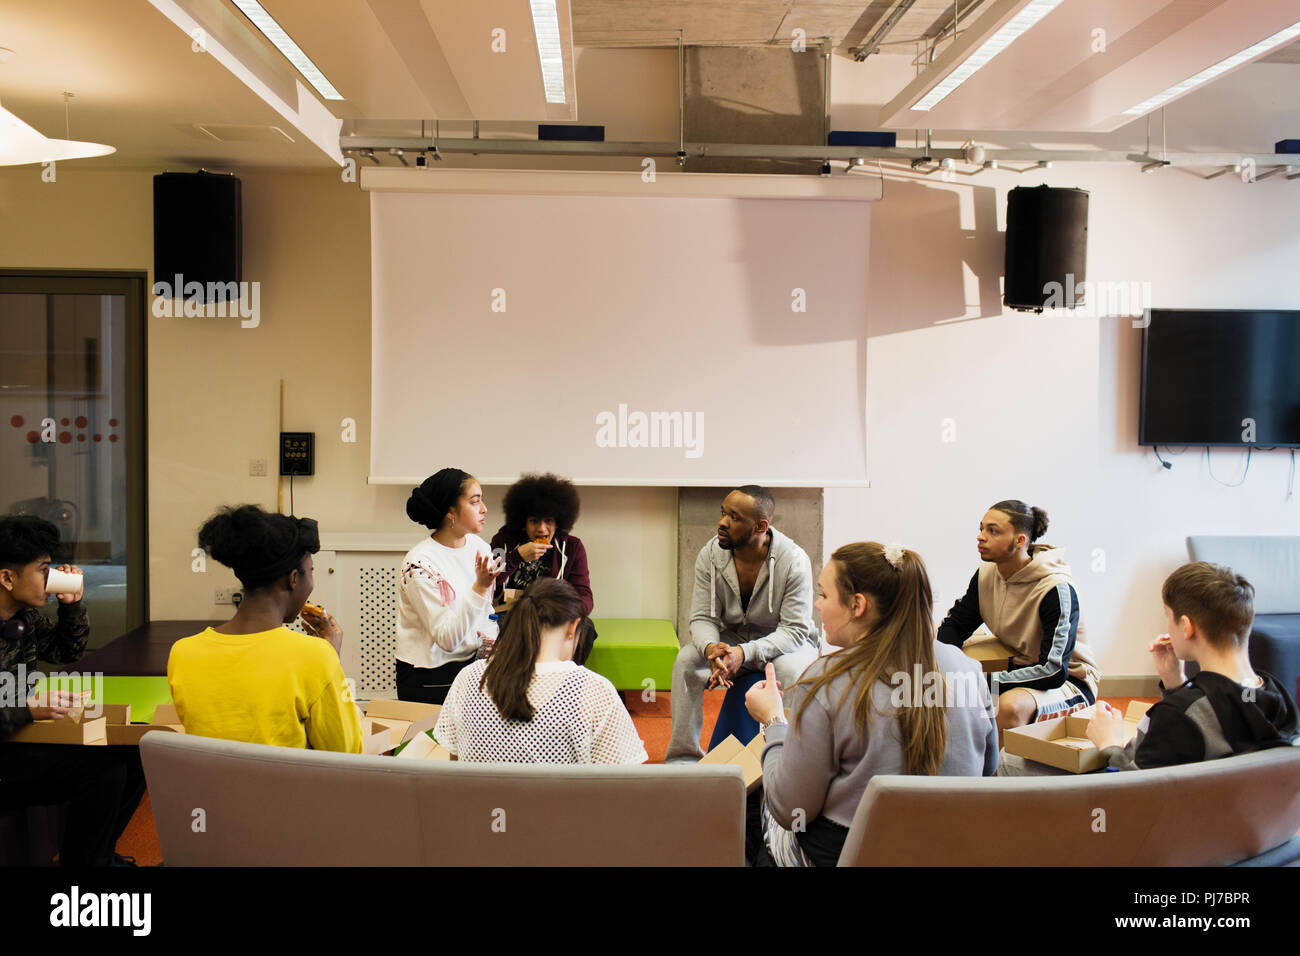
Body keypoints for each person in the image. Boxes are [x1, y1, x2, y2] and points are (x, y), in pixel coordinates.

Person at [746, 542, 998, 866]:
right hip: (953, 849)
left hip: (850, 853)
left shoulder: (825, 679)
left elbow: (790, 808)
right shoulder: (971, 671)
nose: (818, 606)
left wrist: (773, 722)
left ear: (857, 605)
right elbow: (988, 765)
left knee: (754, 803)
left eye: (823, 594)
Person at [0, 514, 146, 866]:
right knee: (102, 768)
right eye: (44, 569)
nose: (51, 578)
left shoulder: (24, 619)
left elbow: (65, 651)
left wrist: (71, 605)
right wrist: (27, 708)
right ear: (7, 577)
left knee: (136, 753)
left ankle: (97, 857)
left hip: (22, 739)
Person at [167, 505, 362, 753]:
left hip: (211, 791)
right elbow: (345, 753)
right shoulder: (316, 656)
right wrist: (331, 660)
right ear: (293, 579)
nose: (312, 582)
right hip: (286, 792)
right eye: (310, 572)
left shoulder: (183, 653)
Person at [1086, 562, 1298, 769]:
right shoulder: (1280, 697)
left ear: (1187, 627)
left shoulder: (1175, 715)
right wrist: (1176, 686)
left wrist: (1109, 744)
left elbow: (1134, 787)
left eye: (1168, 616)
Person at [667, 485, 819, 762]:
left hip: (785, 645)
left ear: (761, 526)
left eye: (734, 517)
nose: (722, 522)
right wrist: (712, 648)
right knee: (688, 661)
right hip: (733, 640)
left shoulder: (794, 561)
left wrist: (744, 653)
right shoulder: (710, 554)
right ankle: (683, 759)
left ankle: (788, 761)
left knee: (789, 670)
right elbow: (703, 618)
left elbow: (795, 631)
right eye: (723, 513)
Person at [432, 578, 646, 764]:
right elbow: (618, 784)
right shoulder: (595, 691)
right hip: (563, 811)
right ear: (573, 628)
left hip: (481, 810)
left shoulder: (469, 678)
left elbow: (456, 767)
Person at [937, 499, 1099, 733]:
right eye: (981, 528)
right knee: (948, 661)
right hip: (1017, 666)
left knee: (1007, 707)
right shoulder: (986, 575)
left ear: (1020, 540)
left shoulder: (1056, 588)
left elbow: (1053, 670)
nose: (981, 537)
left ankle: (1002, 769)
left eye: (993, 531)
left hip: (1069, 681)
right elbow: (955, 626)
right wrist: (946, 668)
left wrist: (977, 683)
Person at [396, 468, 503, 704]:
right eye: (475, 502)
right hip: (430, 676)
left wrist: (490, 645)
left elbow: (486, 613)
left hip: (475, 666)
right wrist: (479, 587)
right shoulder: (419, 564)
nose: (484, 509)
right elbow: (447, 639)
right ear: (450, 512)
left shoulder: (480, 547)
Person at [489, 473, 593, 614]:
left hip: (553, 616)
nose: (541, 529)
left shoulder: (572, 547)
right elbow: (489, 581)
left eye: (548, 521)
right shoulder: (501, 541)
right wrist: (516, 556)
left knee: (587, 627)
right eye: (534, 521)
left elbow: (584, 595)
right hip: (508, 614)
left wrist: (568, 613)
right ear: (523, 523)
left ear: (558, 522)